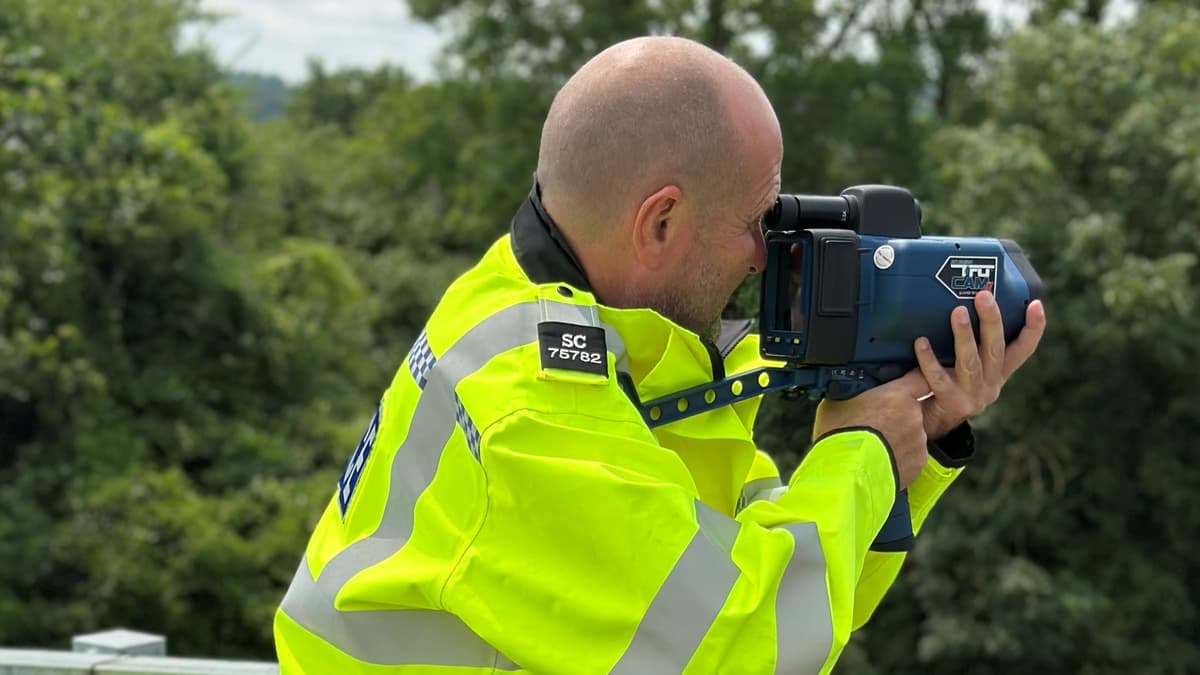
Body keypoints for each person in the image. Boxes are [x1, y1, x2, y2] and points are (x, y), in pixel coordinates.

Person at [273, 35, 1046, 674]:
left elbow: (795, 602)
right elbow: (742, 647)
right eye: (756, 219)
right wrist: (860, 449)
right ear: (661, 223)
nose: (762, 257)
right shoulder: (538, 408)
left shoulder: (560, 316)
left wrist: (915, 436)